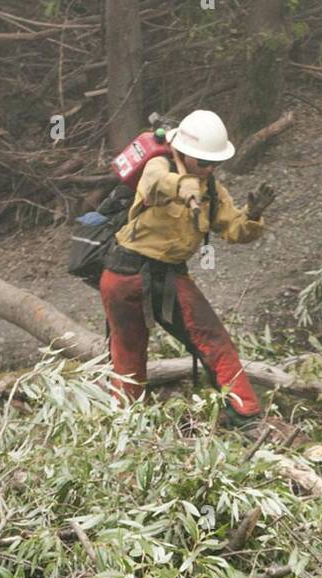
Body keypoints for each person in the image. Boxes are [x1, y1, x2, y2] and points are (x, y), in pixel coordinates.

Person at [99, 108, 276, 424]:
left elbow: (233, 230)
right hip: (125, 270)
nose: (209, 169)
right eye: (203, 163)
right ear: (185, 152)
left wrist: (252, 214)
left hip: (168, 273)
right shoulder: (161, 164)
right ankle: (125, 425)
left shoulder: (210, 189)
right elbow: (153, 183)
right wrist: (181, 185)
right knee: (128, 352)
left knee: (212, 336)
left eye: (214, 163)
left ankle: (244, 413)